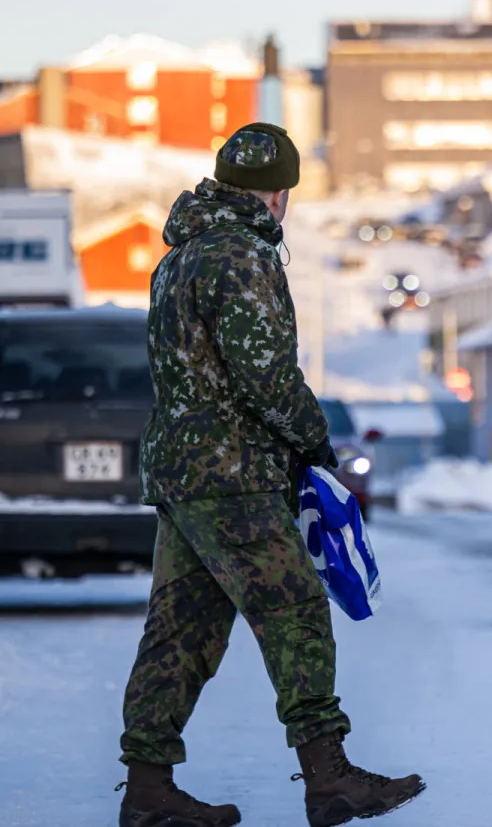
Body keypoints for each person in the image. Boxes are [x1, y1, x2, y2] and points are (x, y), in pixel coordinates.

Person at [117, 123, 424, 827]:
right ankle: (329, 776)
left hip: (181, 472)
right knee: (295, 612)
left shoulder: (179, 258)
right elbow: (265, 376)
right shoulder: (242, 257)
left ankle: (148, 788)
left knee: (179, 632)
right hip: (233, 474)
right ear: (280, 194)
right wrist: (315, 440)